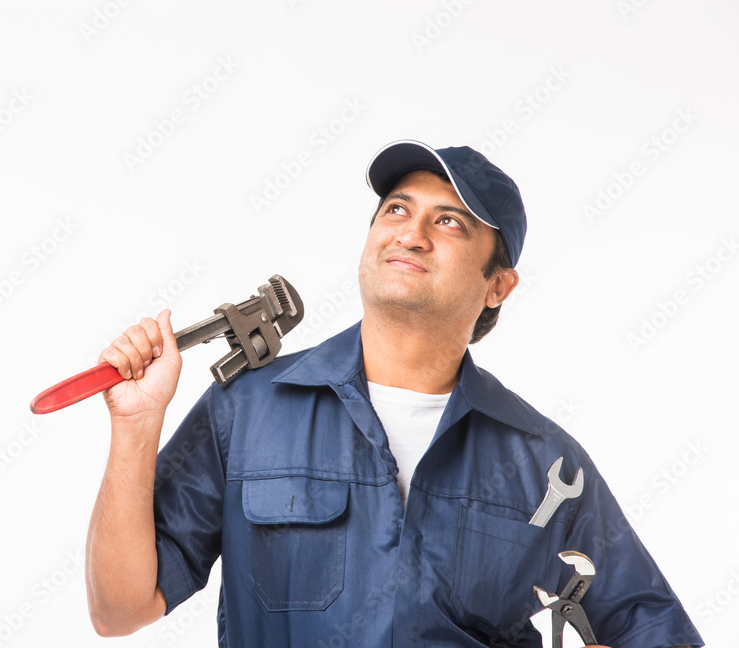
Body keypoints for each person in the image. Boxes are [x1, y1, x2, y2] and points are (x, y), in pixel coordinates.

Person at [84, 140, 704, 647]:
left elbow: (652, 626)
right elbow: (120, 610)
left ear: (498, 286)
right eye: (397, 210)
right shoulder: (247, 409)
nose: (411, 234)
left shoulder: (544, 464)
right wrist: (135, 428)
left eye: (450, 222)